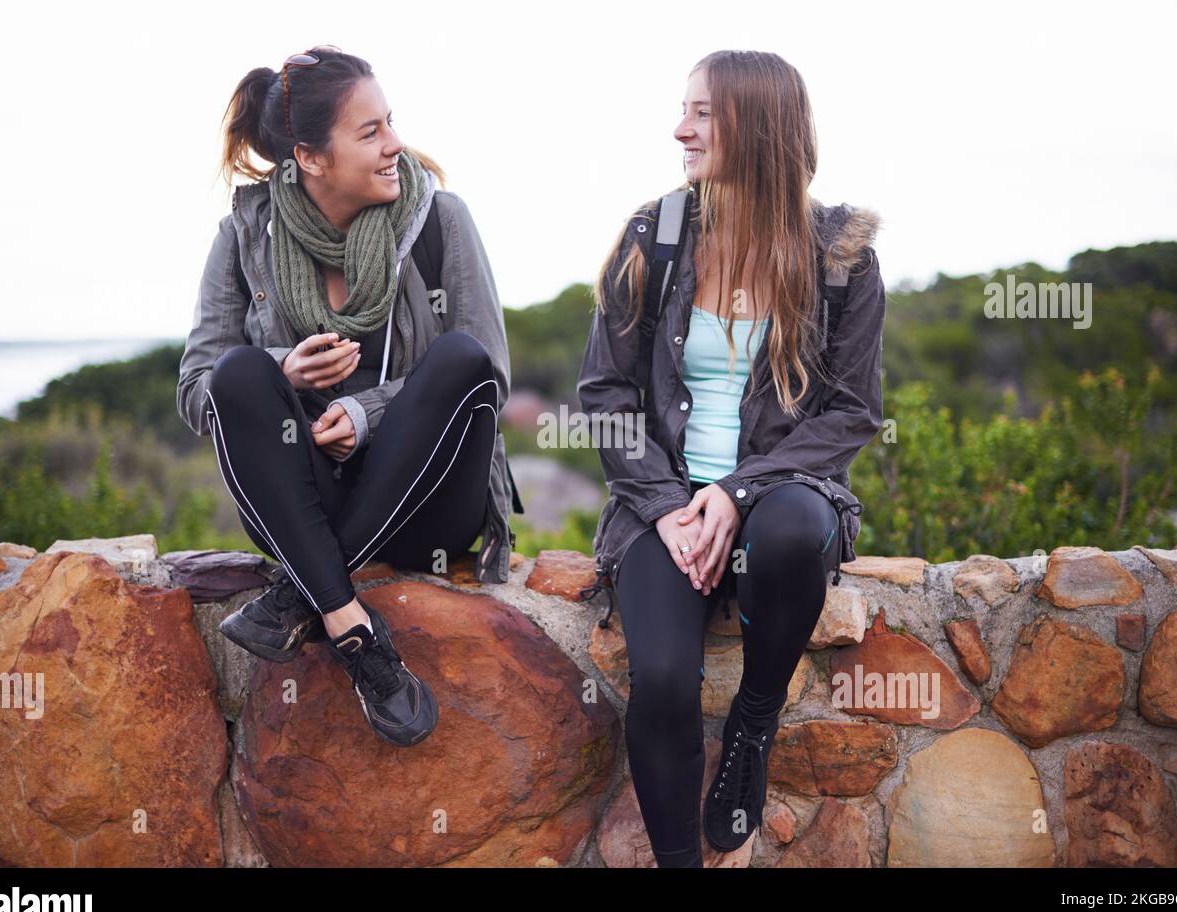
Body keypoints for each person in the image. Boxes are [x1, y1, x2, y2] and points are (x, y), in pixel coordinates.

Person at [577, 50, 886, 866]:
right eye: (686, 110)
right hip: (662, 509)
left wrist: (739, 492)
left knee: (789, 529)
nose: (681, 129)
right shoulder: (658, 234)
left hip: (782, 500)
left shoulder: (839, 253)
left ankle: (754, 719)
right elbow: (604, 395)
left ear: (759, 122)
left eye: (703, 113)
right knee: (667, 679)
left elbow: (853, 411)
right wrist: (670, 505)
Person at [176, 45, 517, 748]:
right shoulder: (244, 237)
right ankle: (354, 628)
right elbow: (196, 390)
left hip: (429, 506)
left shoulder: (440, 221)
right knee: (239, 372)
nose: (395, 144)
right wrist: (284, 372)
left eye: (390, 122)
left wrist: (367, 413)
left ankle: (306, 594)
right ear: (311, 157)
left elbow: (490, 377)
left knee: (459, 357)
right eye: (370, 132)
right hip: (307, 500)